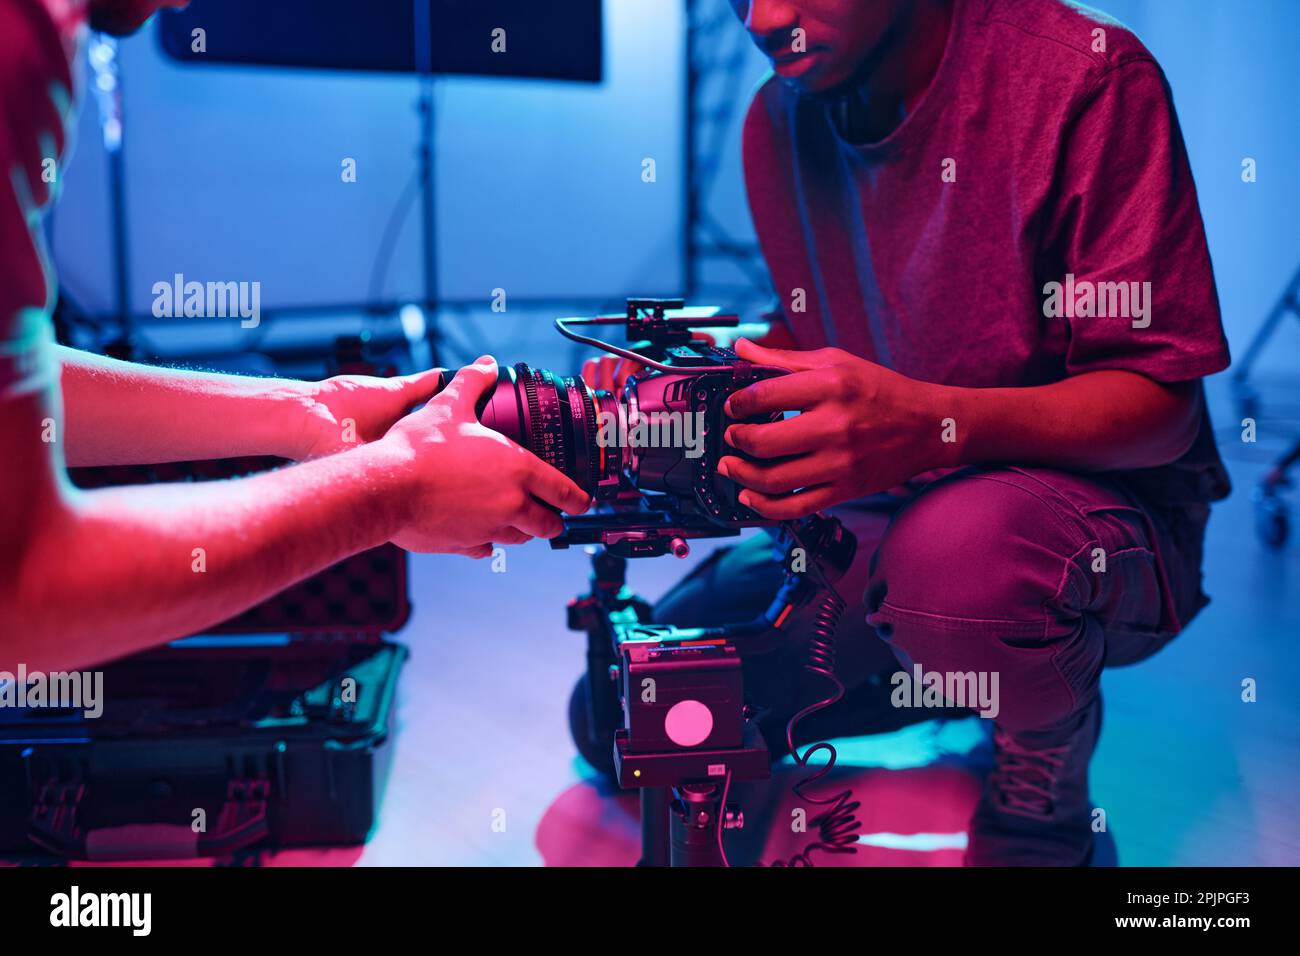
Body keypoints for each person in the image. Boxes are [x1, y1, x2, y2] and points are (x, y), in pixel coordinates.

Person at [579, 0, 1231, 866]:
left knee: (963, 570)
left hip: (1079, 532)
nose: (765, 18)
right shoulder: (781, 116)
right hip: (886, 518)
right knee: (621, 719)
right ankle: (969, 673)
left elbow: (1161, 409)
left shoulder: (1090, 78)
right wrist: (688, 386)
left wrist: (933, 427)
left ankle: (1041, 785)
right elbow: (820, 327)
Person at [0, 0, 589, 673]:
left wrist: (307, 412)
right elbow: (24, 594)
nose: (183, 4)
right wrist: (393, 490)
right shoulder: (20, 36)